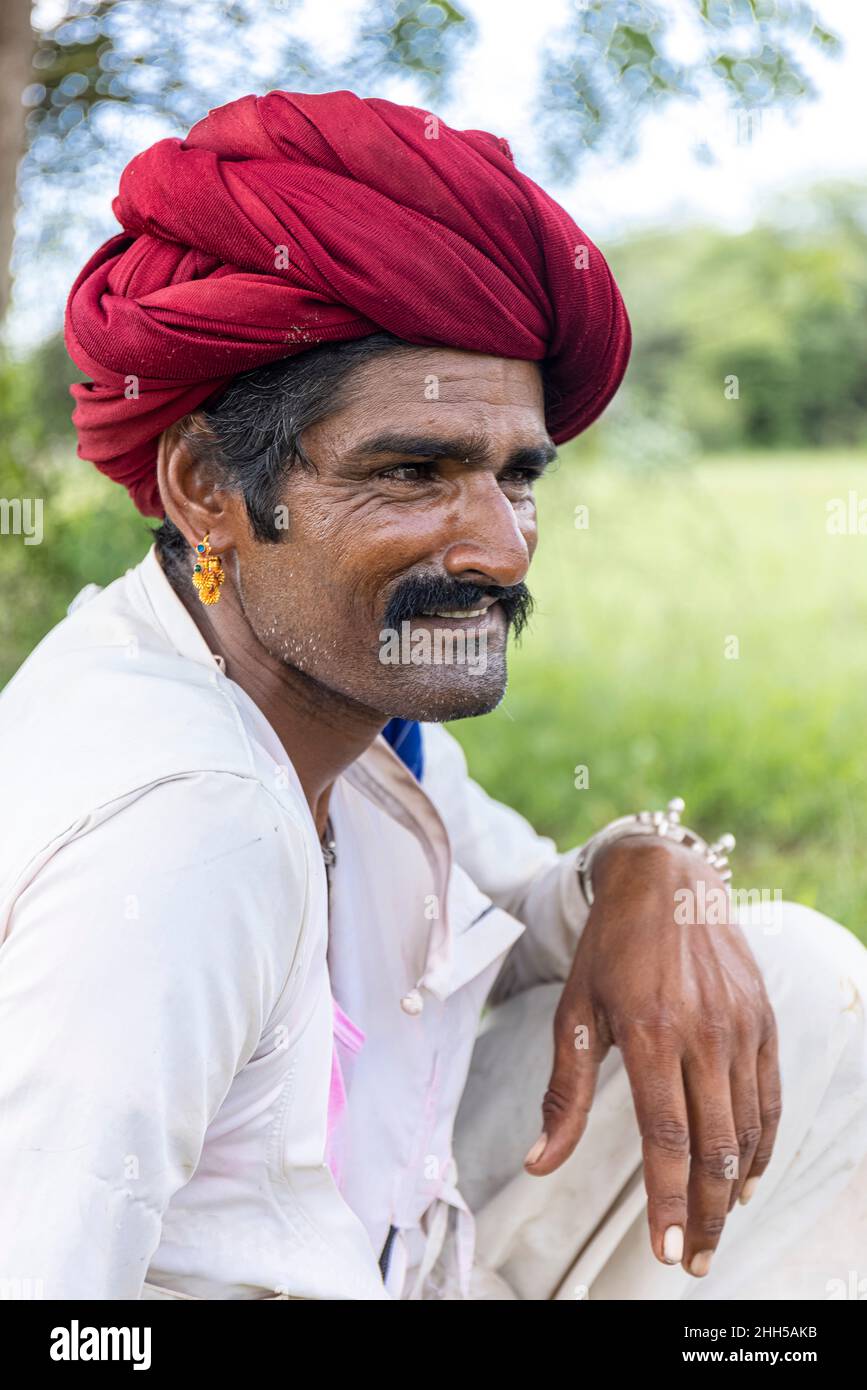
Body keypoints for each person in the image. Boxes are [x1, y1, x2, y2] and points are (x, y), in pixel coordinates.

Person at [0, 89, 864, 1302]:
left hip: (405, 1247)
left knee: (786, 977)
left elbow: (507, 905)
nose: (502, 548)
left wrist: (650, 870)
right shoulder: (189, 831)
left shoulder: (335, 710)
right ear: (205, 488)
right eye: (414, 472)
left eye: (517, 476)